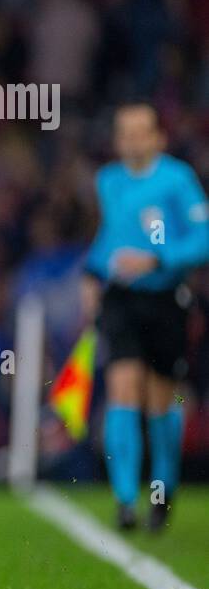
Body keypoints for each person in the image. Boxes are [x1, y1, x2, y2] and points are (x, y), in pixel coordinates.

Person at [82, 103, 209, 531]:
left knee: (161, 401)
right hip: (121, 300)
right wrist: (91, 272)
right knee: (122, 390)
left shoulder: (178, 180)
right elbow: (110, 237)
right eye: (125, 133)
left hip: (165, 300)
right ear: (117, 140)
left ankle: (162, 490)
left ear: (158, 137)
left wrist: (157, 258)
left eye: (141, 132)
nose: (132, 141)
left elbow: (203, 238)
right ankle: (124, 501)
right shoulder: (109, 180)